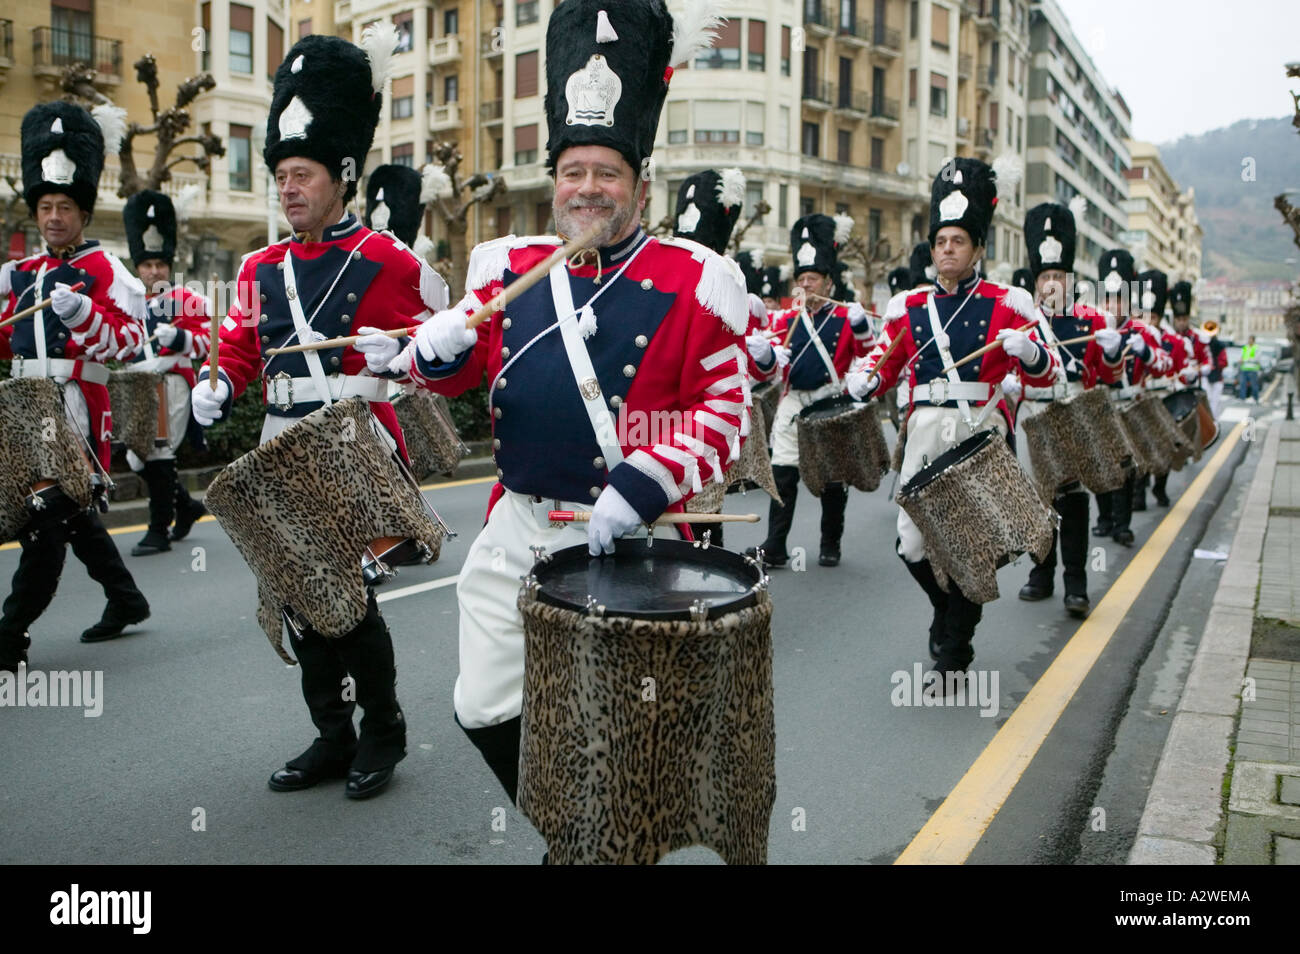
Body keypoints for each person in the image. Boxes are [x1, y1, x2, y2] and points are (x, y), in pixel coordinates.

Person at [395, 0, 750, 812]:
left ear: (640, 184)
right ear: (555, 182)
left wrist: (646, 481)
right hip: (520, 524)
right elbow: (458, 376)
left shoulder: (697, 279)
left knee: (626, 725)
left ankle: (592, 842)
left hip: (638, 532)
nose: (588, 188)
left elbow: (725, 410)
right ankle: (578, 827)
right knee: (483, 703)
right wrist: (433, 355)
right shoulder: (504, 266)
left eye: (607, 173)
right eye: (573, 172)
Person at [191, 28, 450, 800]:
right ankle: (331, 736)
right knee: (302, 600)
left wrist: (395, 352)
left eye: (301, 174)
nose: (288, 188)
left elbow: (445, 331)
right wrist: (220, 387)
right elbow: (237, 346)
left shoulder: (385, 258)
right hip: (279, 442)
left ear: (341, 174)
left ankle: (383, 731)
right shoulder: (258, 267)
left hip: (353, 443)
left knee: (352, 603)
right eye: (280, 176)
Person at [845, 155, 1061, 685]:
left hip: (978, 431)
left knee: (971, 541)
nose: (947, 249)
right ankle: (947, 612)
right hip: (922, 431)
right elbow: (885, 361)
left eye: (958, 242)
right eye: (941, 241)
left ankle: (955, 646)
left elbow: (1051, 374)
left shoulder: (1009, 302)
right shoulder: (906, 306)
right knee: (910, 541)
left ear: (978, 249)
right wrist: (865, 378)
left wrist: (1028, 353)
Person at [0, 101, 151, 669]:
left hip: (73, 410)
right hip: (22, 411)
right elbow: (9, 344)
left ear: (82, 212)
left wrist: (83, 314)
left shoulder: (109, 270)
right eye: (45, 206)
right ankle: (127, 598)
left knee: (46, 524)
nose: (54, 217)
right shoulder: (21, 274)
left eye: (64, 206)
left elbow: (128, 345)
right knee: (65, 517)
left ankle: (8, 634)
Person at [1012, 199, 1120, 618]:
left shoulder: (1091, 320)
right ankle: (1041, 574)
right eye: (1046, 276)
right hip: (1031, 416)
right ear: (1036, 281)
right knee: (1038, 501)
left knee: (1072, 501)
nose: (1052, 283)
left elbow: (1107, 375)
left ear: (1069, 278)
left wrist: (1111, 353)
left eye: (1059, 275)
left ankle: (1076, 583)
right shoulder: (1021, 320)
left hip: (1073, 413)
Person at [750, 213, 874, 568]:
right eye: (801, 278)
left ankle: (830, 542)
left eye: (813, 278)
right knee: (782, 475)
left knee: (832, 479)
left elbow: (868, 356)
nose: (806, 284)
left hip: (829, 401)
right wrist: (767, 355)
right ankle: (774, 547)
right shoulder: (783, 319)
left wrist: (862, 328)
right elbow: (766, 368)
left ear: (828, 282)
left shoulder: (845, 315)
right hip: (793, 401)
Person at [673, 168, 779, 548]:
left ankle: (709, 594)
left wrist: (764, 357)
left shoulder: (733, 292)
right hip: (658, 420)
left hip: (705, 419)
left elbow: (750, 368)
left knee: (703, 518)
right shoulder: (658, 281)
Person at [120, 189, 212, 555]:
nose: (154, 270)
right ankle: (186, 507)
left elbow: (212, 343)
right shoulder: (126, 300)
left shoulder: (187, 298)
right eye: (147, 265)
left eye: (160, 264)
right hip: (136, 386)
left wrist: (182, 339)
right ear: (137, 266)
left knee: (157, 452)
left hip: (170, 383)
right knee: (135, 456)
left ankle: (159, 528)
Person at [1092, 250, 1168, 545]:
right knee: (1099, 465)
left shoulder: (1142, 330)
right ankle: (1104, 517)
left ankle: (1121, 524)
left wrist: (1146, 351)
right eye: (1108, 298)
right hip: (1099, 404)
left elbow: (1164, 365)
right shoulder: (1091, 328)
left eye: (1119, 298)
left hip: (1129, 405)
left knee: (1124, 468)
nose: (1112, 305)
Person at [1239, 335, 1261, 402]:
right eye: (1249, 339)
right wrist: (1241, 360)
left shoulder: (1256, 348)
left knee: (1254, 385)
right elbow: (1242, 356)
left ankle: (1256, 398)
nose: (1249, 340)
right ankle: (1242, 398)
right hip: (1244, 368)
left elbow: (1256, 359)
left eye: (1250, 339)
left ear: (1253, 340)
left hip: (1253, 369)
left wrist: (1246, 360)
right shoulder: (1245, 347)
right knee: (1242, 384)